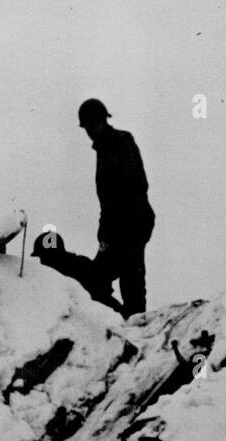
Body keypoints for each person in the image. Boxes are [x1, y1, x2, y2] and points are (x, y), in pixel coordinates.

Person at [78, 99, 154, 316]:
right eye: (87, 128)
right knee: (105, 281)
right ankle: (125, 322)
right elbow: (107, 199)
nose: (89, 132)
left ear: (102, 121)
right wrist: (104, 231)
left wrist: (113, 231)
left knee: (127, 283)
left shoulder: (121, 142)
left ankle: (132, 327)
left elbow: (134, 187)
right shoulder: (103, 148)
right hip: (121, 227)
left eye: (92, 125)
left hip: (132, 223)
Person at [30, 230, 122, 312]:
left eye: (43, 257)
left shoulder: (71, 269)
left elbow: (98, 293)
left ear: (51, 255)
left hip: (102, 311)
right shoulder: (77, 263)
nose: (41, 262)